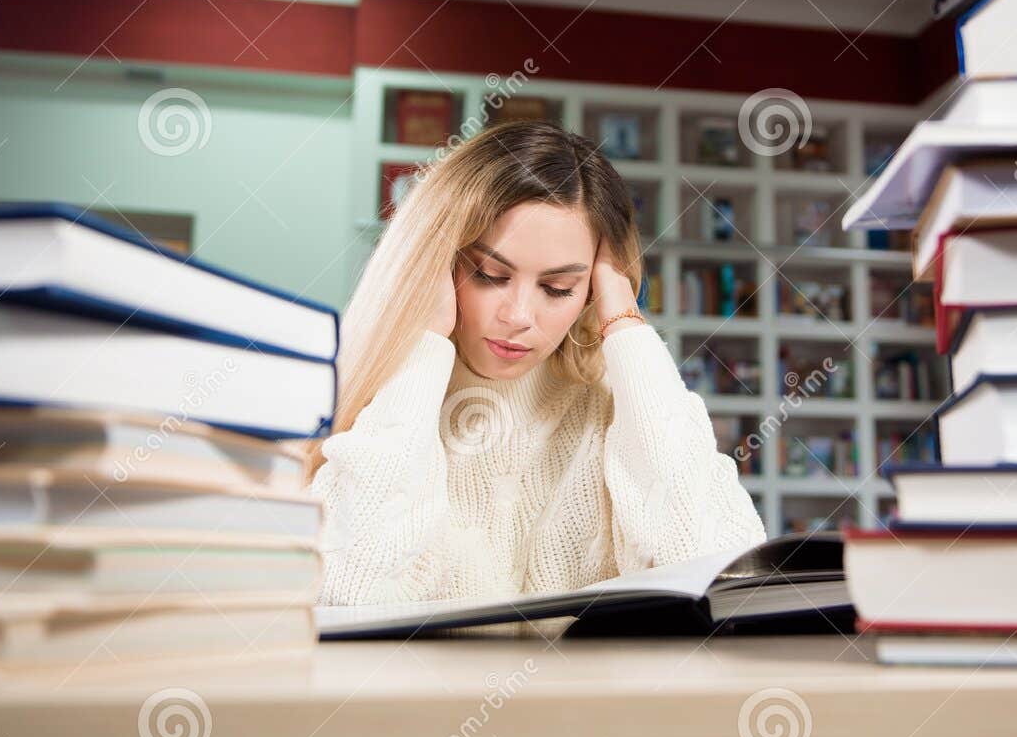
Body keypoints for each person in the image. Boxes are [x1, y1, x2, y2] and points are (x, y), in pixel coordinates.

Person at [307, 119, 767, 606]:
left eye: (557, 288)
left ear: (591, 287)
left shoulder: (619, 414)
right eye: (489, 275)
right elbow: (347, 594)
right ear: (438, 263)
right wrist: (422, 345)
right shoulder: (378, 413)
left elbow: (722, 590)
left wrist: (626, 325)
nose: (519, 316)